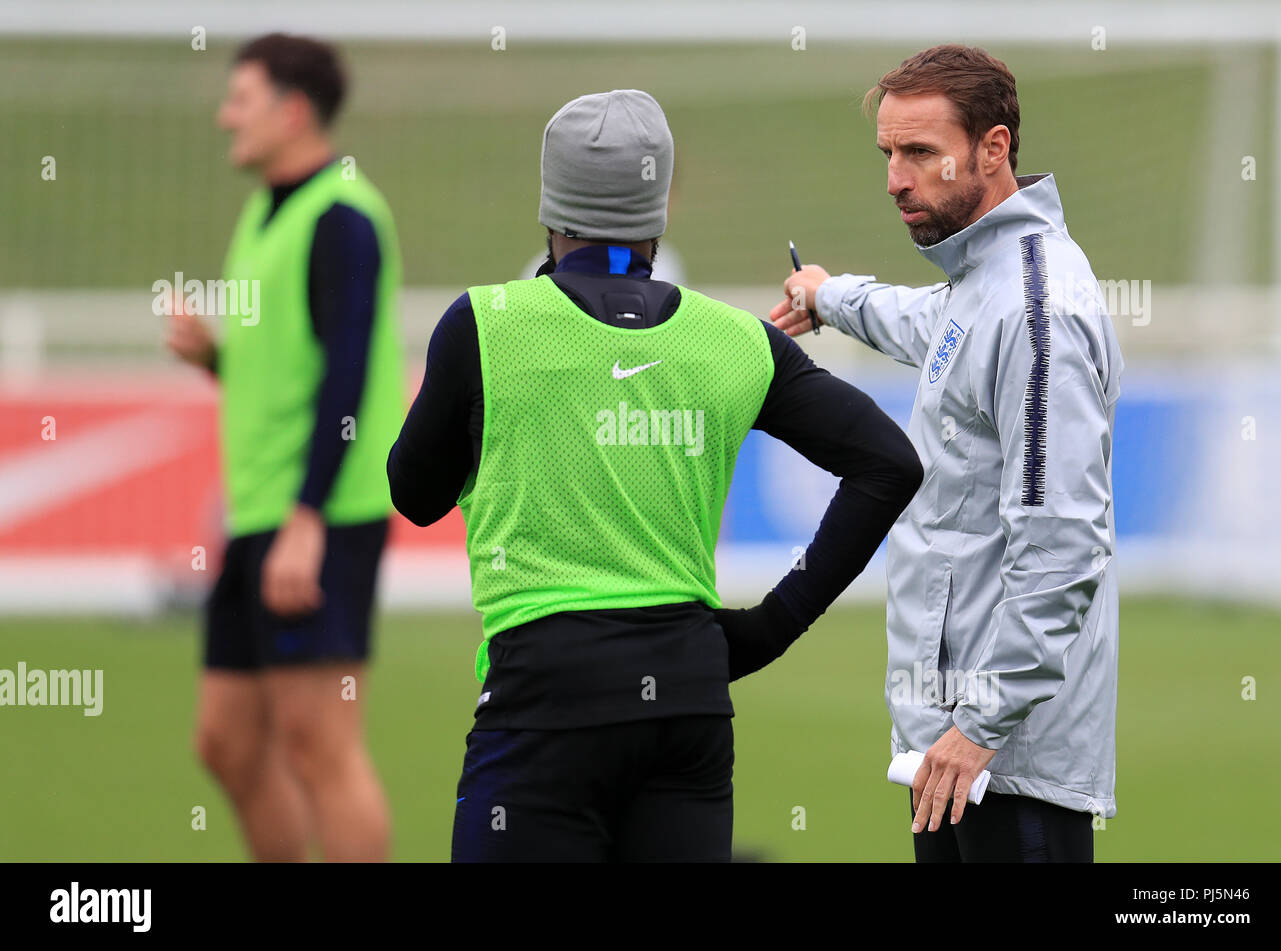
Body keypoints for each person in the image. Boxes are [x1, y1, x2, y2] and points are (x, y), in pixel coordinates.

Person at [387, 88, 922, 862]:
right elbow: (889, 463)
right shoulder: (736, 340)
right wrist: (771, 626)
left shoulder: (484, 325)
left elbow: (416, 496)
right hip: (688, 707)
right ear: (656, 210)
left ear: (551, 206)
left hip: (543, 703)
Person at [772, 44, 1123, 863]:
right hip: (952, 746)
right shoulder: (985, 279)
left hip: (1008, 757)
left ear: (993, 150)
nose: (896, 177)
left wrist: (980, 726)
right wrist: (828, 296)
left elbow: (1063, 546)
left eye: (921, 153)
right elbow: (930, 323)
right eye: (889, 154)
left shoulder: (1038, 313)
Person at [166, 33, 406, 861]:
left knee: (320, 747)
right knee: (225, 741)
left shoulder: (343, 214)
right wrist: (216, 359)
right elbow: (290, 368)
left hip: (322, 515)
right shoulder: (269, 206)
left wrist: (307, 516)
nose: (224, 114)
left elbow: (346, 374)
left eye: (241, 98)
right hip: (261, 510)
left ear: (292, 110)